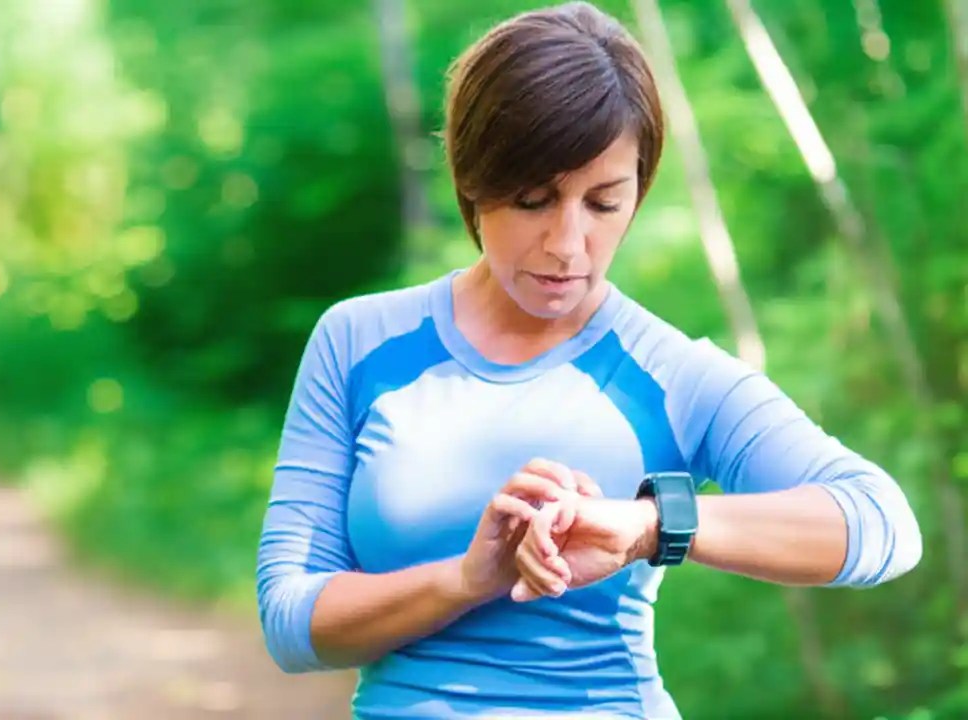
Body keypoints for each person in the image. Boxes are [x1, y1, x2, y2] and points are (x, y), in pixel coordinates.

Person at [254, 3, 923, 718]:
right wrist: (468, 578)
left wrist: (648, 527)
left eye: (603, 203)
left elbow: (883, 524)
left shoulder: (671, 373)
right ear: (473, 178)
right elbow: (292, 621)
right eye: (535, 200)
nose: (568, 244)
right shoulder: (359, 342)